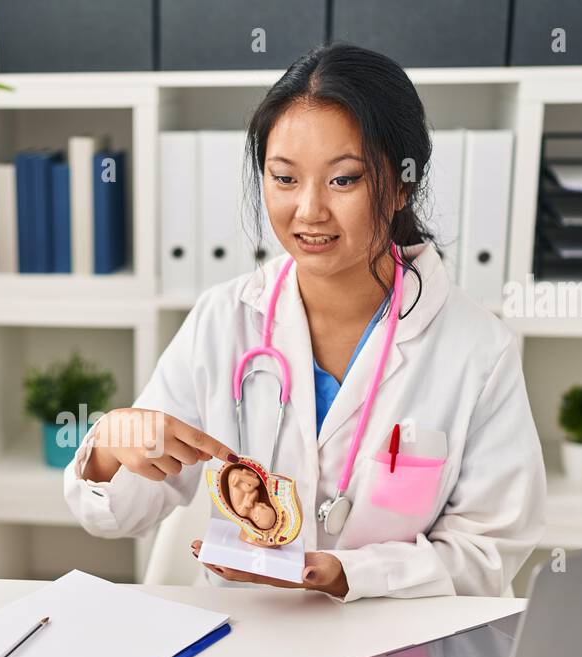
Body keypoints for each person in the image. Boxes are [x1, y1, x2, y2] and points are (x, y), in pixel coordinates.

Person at [64, 43, 546, 602]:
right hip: (243, 630)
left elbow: (491, 550)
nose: (309, 210)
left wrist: (348, 574)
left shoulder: (477, 349)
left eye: (344, 180)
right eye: (285, 178)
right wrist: (109, 447)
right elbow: (116, 517)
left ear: (403, 184)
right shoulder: (224, 321)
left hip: (393, 643)